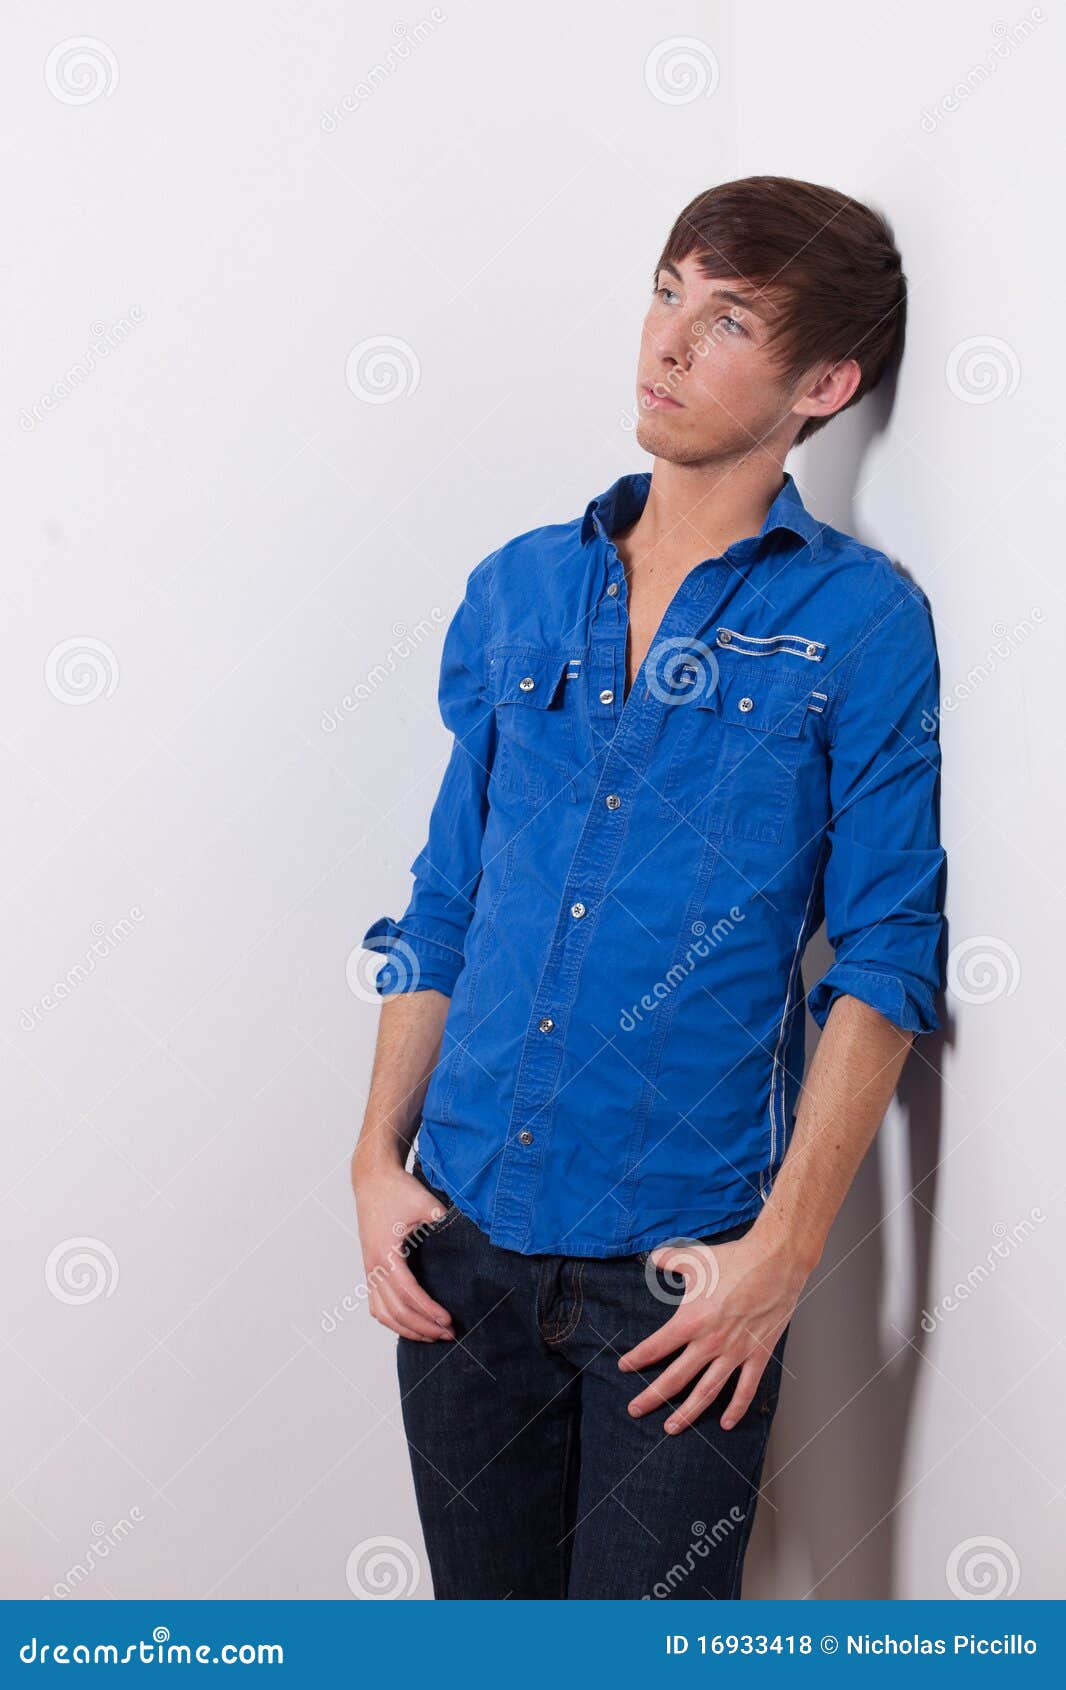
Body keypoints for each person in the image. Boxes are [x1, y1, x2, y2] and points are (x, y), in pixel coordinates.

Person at [352, 175, 945, 1600]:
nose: (667, 342)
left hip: (680, 1276)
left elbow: (884, 956)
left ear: (825, 381)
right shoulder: (515, 591)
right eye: (668, 289)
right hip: (461, 1243)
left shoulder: (856, 622)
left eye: (727, 316)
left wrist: (782, 1257)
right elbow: (444, 898)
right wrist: (375, 1162)